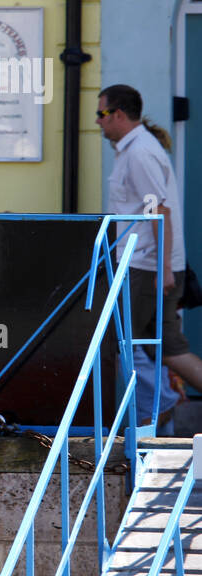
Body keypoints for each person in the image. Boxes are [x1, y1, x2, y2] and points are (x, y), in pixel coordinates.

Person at [97, 84, 202, 395]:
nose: (97, 121)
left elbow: (158, 211)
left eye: (101, 113)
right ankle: (149, 413)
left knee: (111, 344)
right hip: (151, 265)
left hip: (145, 267)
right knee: (169, 349)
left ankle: (115, 424)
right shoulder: (135, 149)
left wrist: (165, 269)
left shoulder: (140, 152)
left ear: (118, 114)